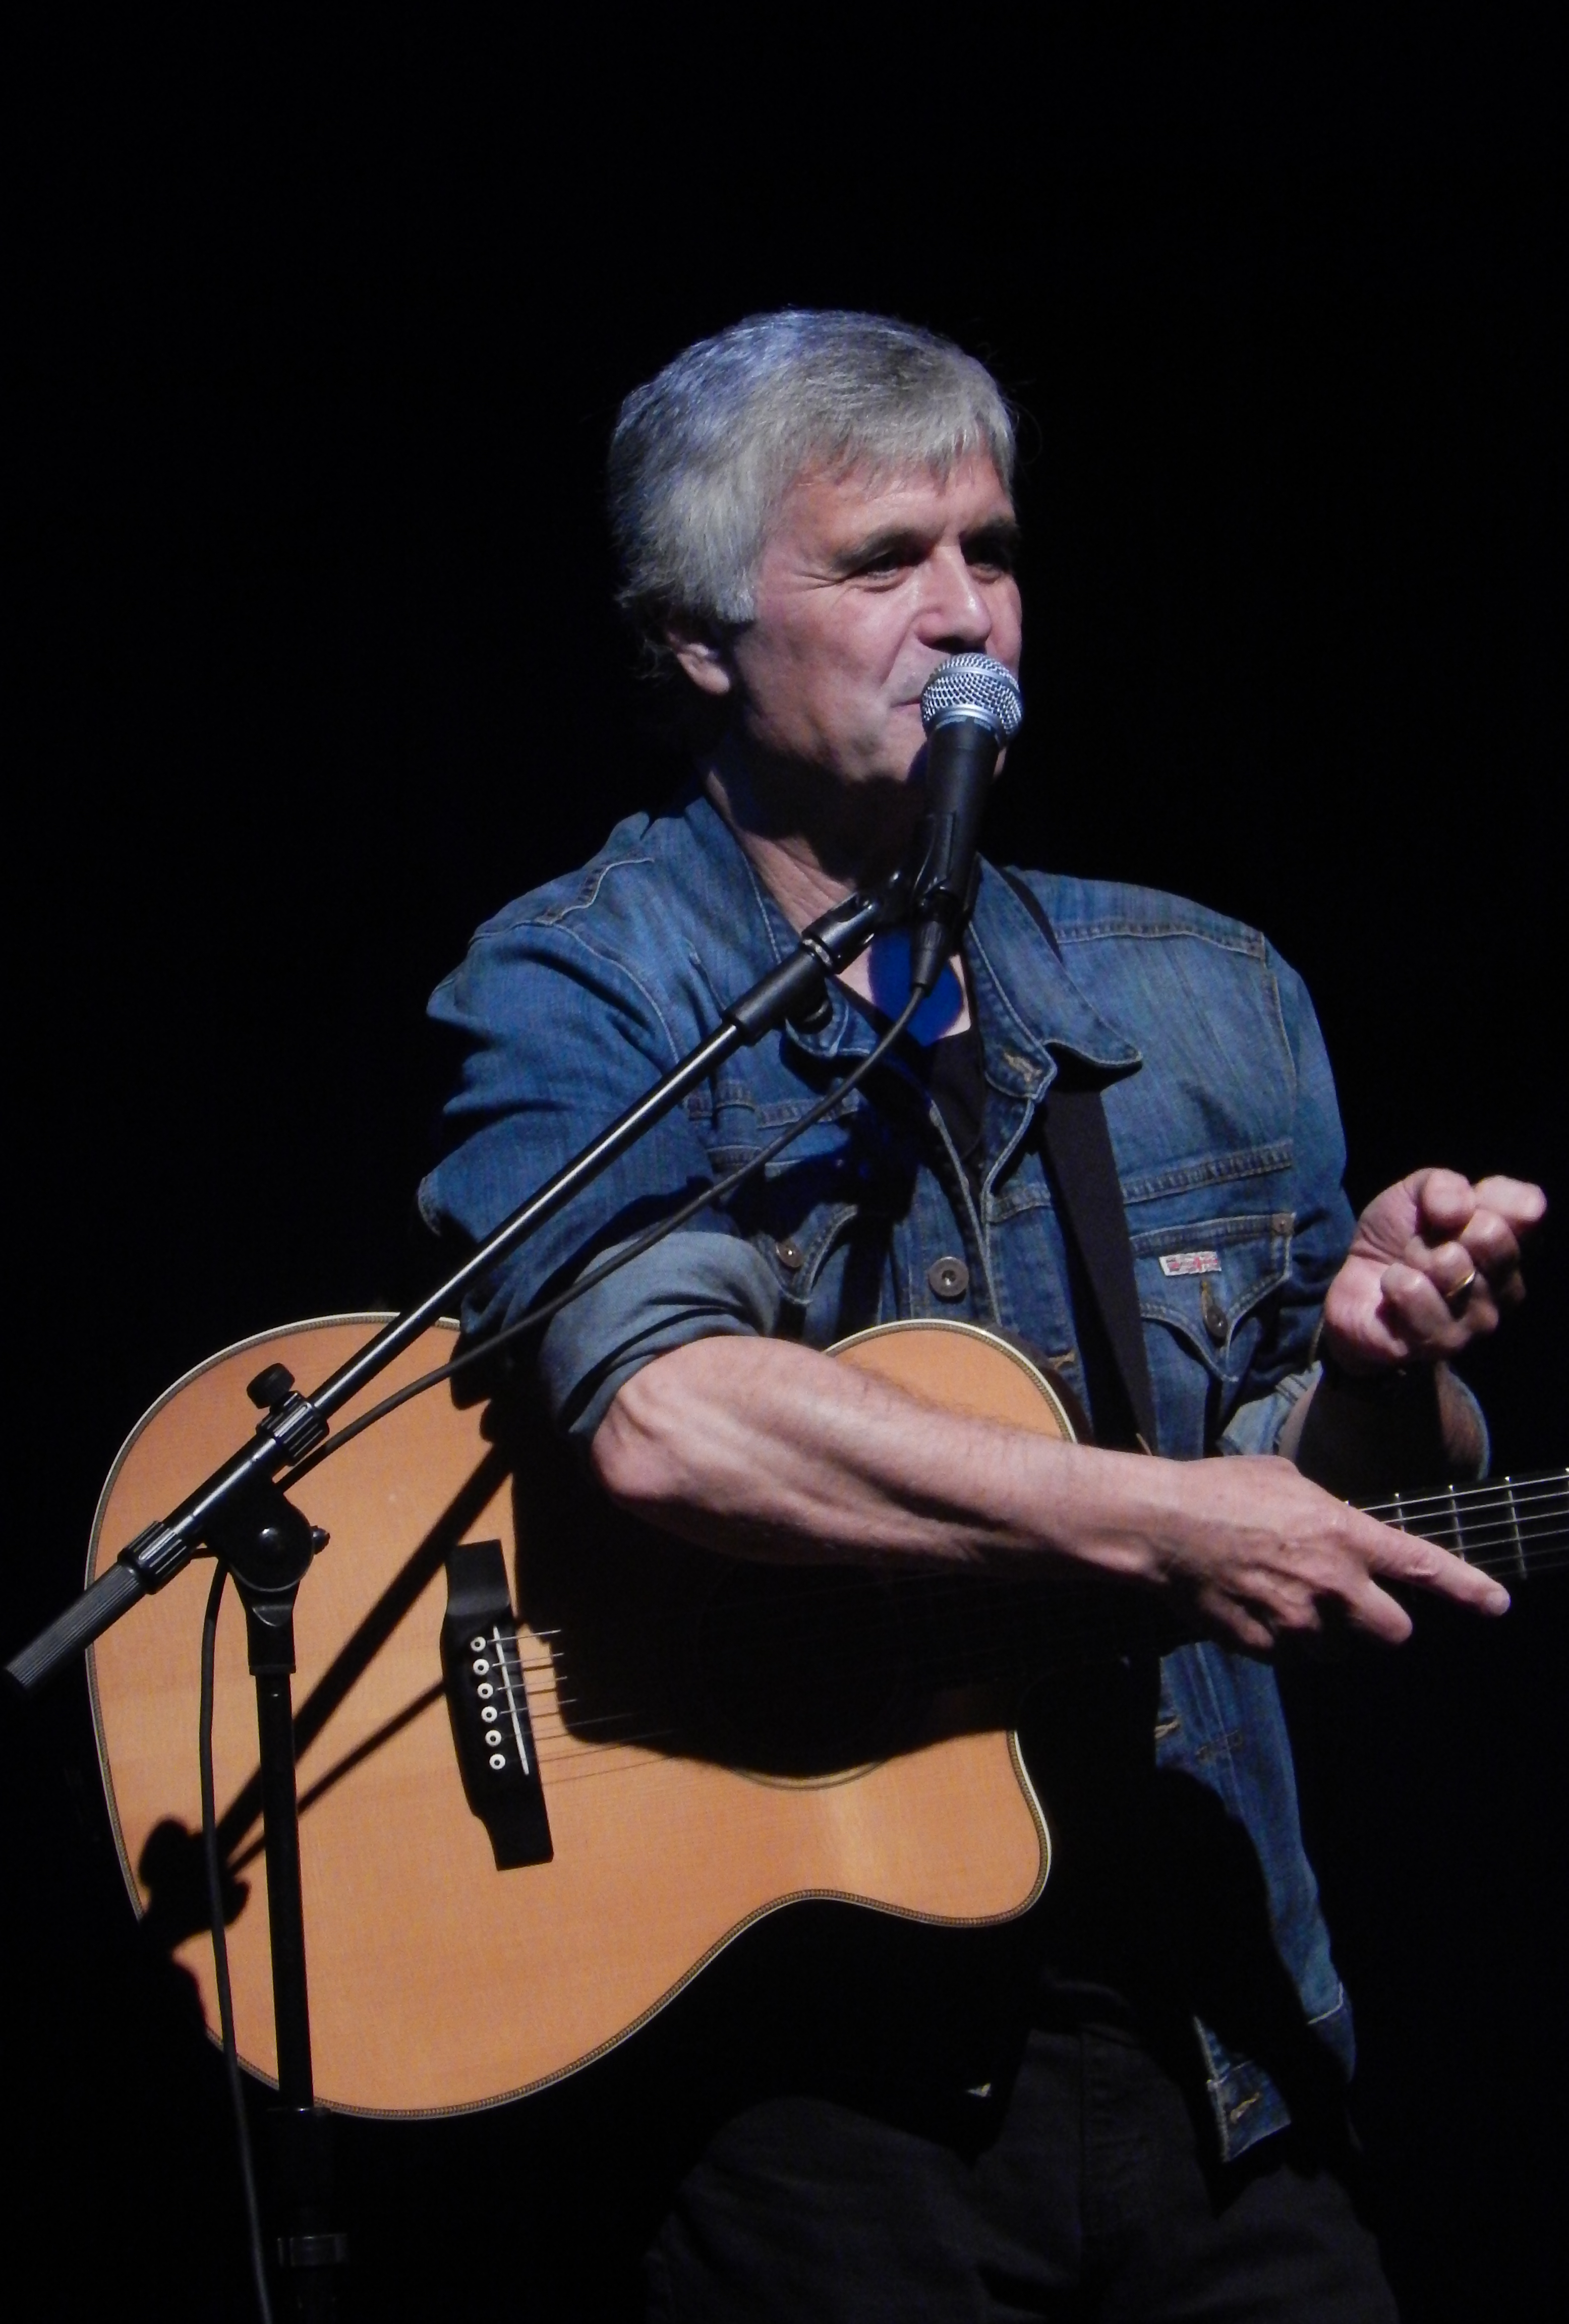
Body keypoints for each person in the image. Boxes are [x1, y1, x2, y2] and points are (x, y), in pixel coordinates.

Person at [417, 312, 1545, 2320]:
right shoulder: (592, 985)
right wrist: (1169, 1520)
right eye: (882, 564)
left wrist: (1383, 1370)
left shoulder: (1208, 989)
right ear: (697, 641)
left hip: (1218, 2047)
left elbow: (1307, 1486)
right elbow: (666, 1415)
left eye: (994, 553)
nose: (969, 618)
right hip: (818, 2096)